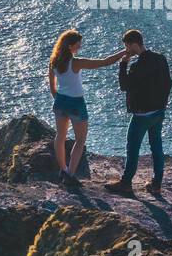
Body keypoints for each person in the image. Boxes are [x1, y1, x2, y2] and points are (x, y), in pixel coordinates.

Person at [48, 29, 127, 189]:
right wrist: (125, 52)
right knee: (80, 140)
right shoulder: (76, 62)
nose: (80, 47)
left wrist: (60, 98)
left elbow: (52, 87)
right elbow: (105, 62)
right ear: (70, 46)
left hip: (60, 102)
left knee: (60, 136)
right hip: (76, 103)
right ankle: (70, 174)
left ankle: (63, 169)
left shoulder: (54, 61)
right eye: (78, 45)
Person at [105, 29, 172, 197]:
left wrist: (123, 64)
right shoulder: (160, 59)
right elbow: (168, 83)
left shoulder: (137, 66)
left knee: (132, 148)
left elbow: (124, 86)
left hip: (142, 115)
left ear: (135, 44)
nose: (127, 49)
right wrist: (162, 104)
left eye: (127, 46)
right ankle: (156, 184)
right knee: (156, 146)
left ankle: (126, 183)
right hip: (158, 112)